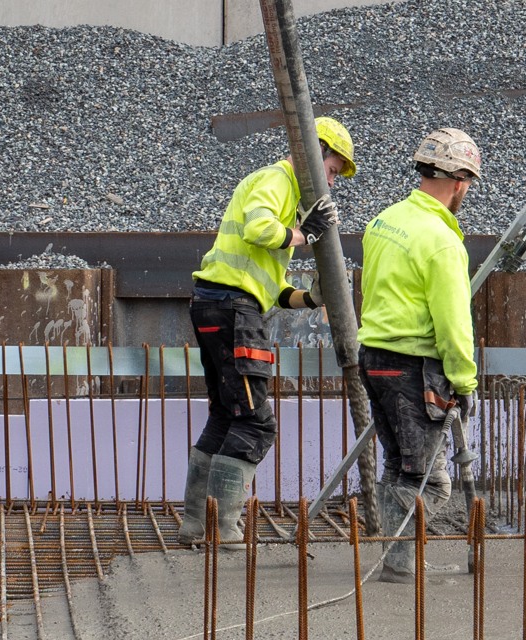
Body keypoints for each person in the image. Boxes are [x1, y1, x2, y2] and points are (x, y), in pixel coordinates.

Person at [179, 117, 355, 548]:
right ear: (314, 152)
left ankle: (194, 525)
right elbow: (261, 230)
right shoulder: (275, 180)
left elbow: (274, 291)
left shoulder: (284, 194)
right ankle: (224, 530)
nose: (332, 180)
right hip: (233, 309)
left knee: (226, 415)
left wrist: (310, 299)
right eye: (332, 169)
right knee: (256, 424)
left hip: (217, 304)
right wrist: (303, 233)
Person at [357, 128, 482, 583]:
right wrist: (465, 381)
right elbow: (453, 323)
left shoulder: (383, 221)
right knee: (429, 481)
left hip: (373, 358)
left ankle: (398, 559)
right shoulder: (443, 241)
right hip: (413, 368)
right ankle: (397, 564)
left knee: (398, 466)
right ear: (460, 180)